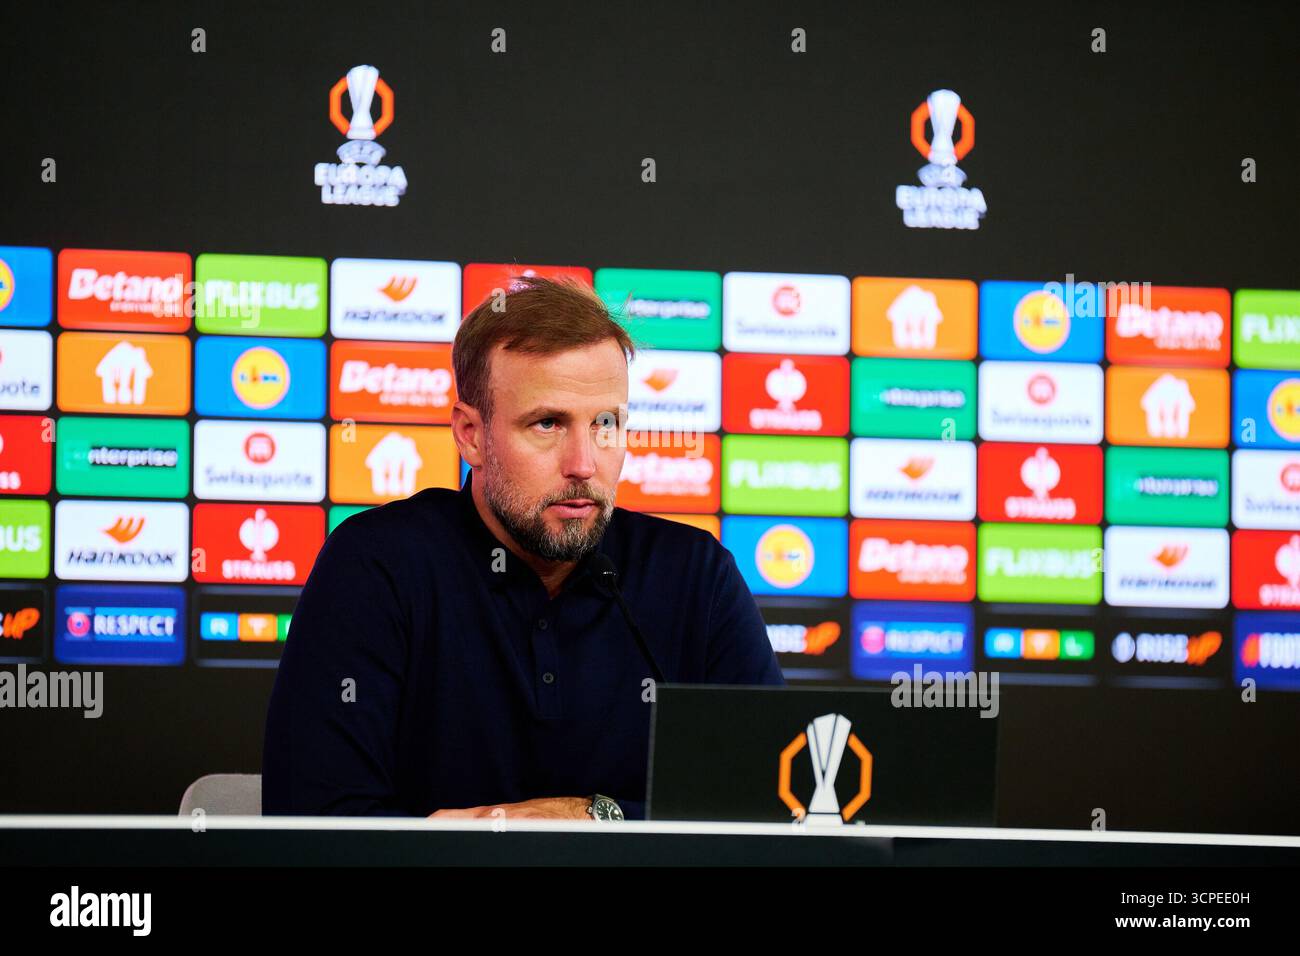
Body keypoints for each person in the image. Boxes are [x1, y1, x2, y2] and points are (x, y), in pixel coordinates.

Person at [262, 274, 784, 821]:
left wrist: (593, 815)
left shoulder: (695, 575)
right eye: (548, 423)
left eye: (606, 423)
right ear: (469, 434)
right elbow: (312, 821)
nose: (584, 463)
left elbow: (775, 805)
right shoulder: (375, 567)